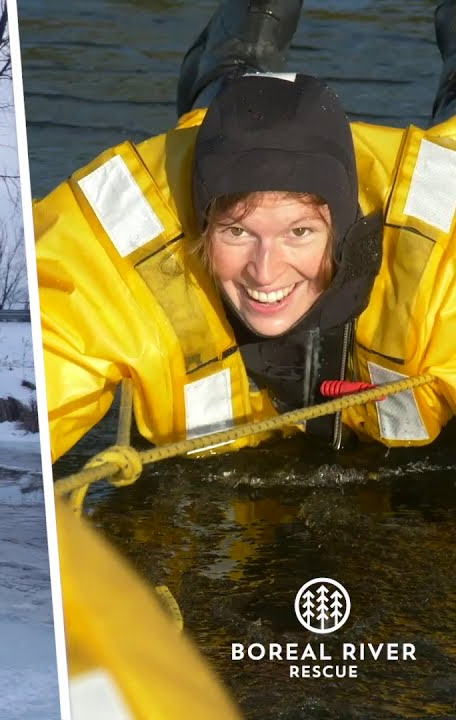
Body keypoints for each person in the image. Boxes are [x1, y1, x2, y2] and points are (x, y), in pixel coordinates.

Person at [36, 0, 456, 462]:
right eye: (236, 232)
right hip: (216, 149)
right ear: (202, 228)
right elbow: (47, 357)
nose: (265, 271)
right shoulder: (108, 256)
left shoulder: (437, 271)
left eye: (299, 233)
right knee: (232, 118)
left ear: (339, 231)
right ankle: (236, 55)